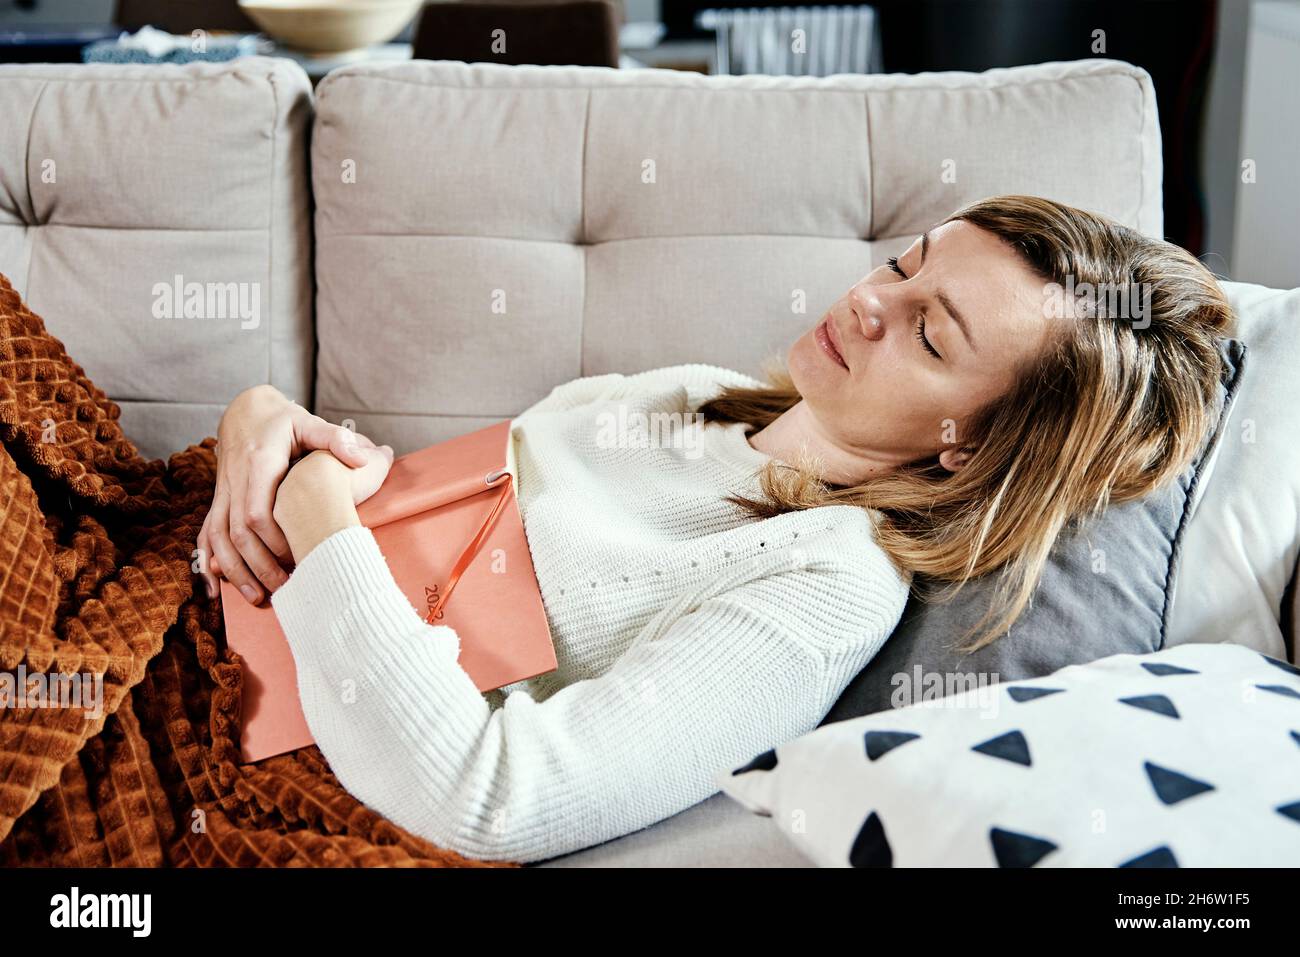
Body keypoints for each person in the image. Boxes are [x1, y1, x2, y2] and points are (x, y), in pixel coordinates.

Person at [198, 194, 1233, 862]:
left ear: (972, 445)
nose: (872, 301)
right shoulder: (694, 394)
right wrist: (268, 427)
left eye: (926, 333)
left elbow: (493, 798)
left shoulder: (825, 585)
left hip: (246, 726)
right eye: (905, 264)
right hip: (218, 581)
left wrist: (316, 510)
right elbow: (425, 526)